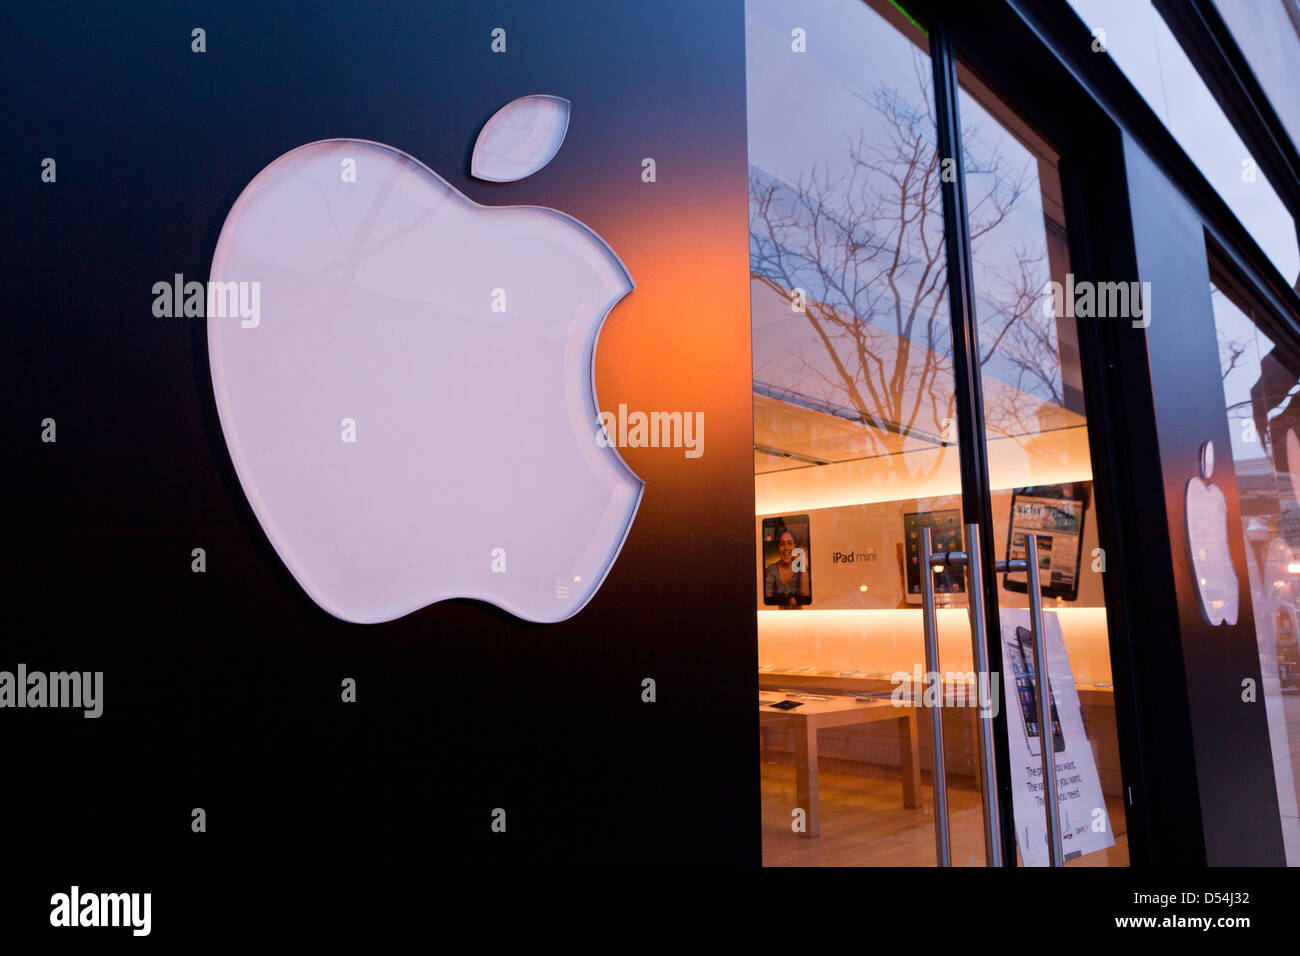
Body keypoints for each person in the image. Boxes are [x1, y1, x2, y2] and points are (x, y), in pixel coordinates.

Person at [764, 528, 809, 606]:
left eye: (790, 543)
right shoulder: (772, 569)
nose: (786, 548)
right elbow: (767, 599)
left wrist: (802, 563)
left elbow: (805, 598)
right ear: (778, 547)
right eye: (782, 544)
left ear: (795, 547)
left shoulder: (801, 568)